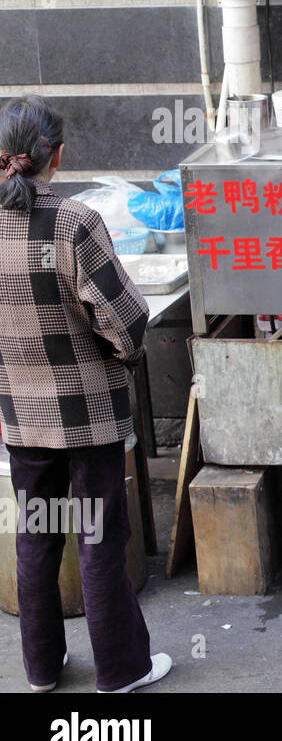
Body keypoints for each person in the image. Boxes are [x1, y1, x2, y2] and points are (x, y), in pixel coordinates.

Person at [0, 96, 171, 693]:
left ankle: (42, 672)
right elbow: (126, 323)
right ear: (58, 155)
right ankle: (122, 672)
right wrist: (122, 358)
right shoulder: (74, 223)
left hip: (21, 421)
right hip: (89, 417)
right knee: (100, 539)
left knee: (37, 537)